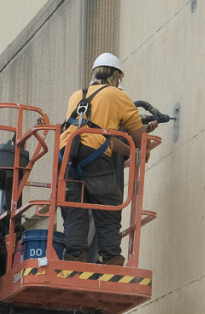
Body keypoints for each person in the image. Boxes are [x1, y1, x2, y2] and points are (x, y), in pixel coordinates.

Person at [59, 53, 158, 265]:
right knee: (108, 205)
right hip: (93, 157)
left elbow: (103, 140)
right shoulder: (118, 96)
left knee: (74, 208)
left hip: (67, 156)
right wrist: (144, 147)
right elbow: (139, 139)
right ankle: (112, 258)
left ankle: (74, 257)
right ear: (116, 77)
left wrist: (131, 150)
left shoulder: (77, 96)